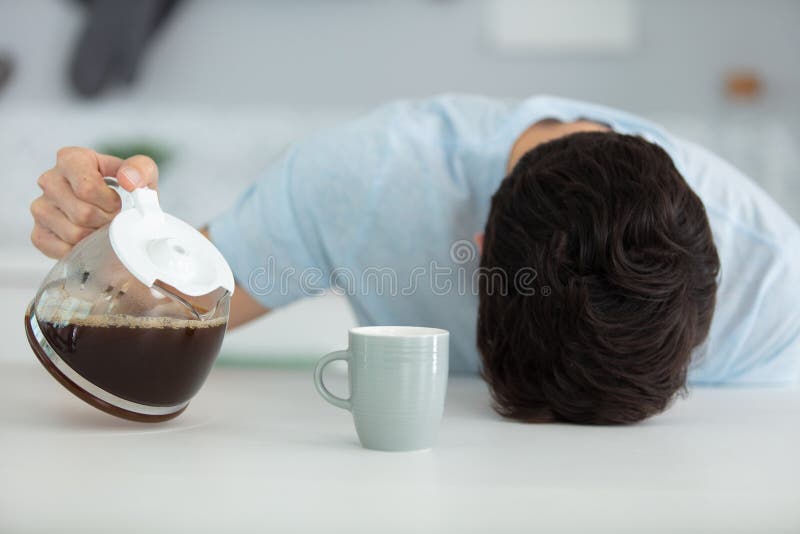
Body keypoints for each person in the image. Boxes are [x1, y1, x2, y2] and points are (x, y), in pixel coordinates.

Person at [30, 95, 800, 424]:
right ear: (477, 255)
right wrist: (108, 230)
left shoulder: (774, 283)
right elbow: (167, 300)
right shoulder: (362, 179)